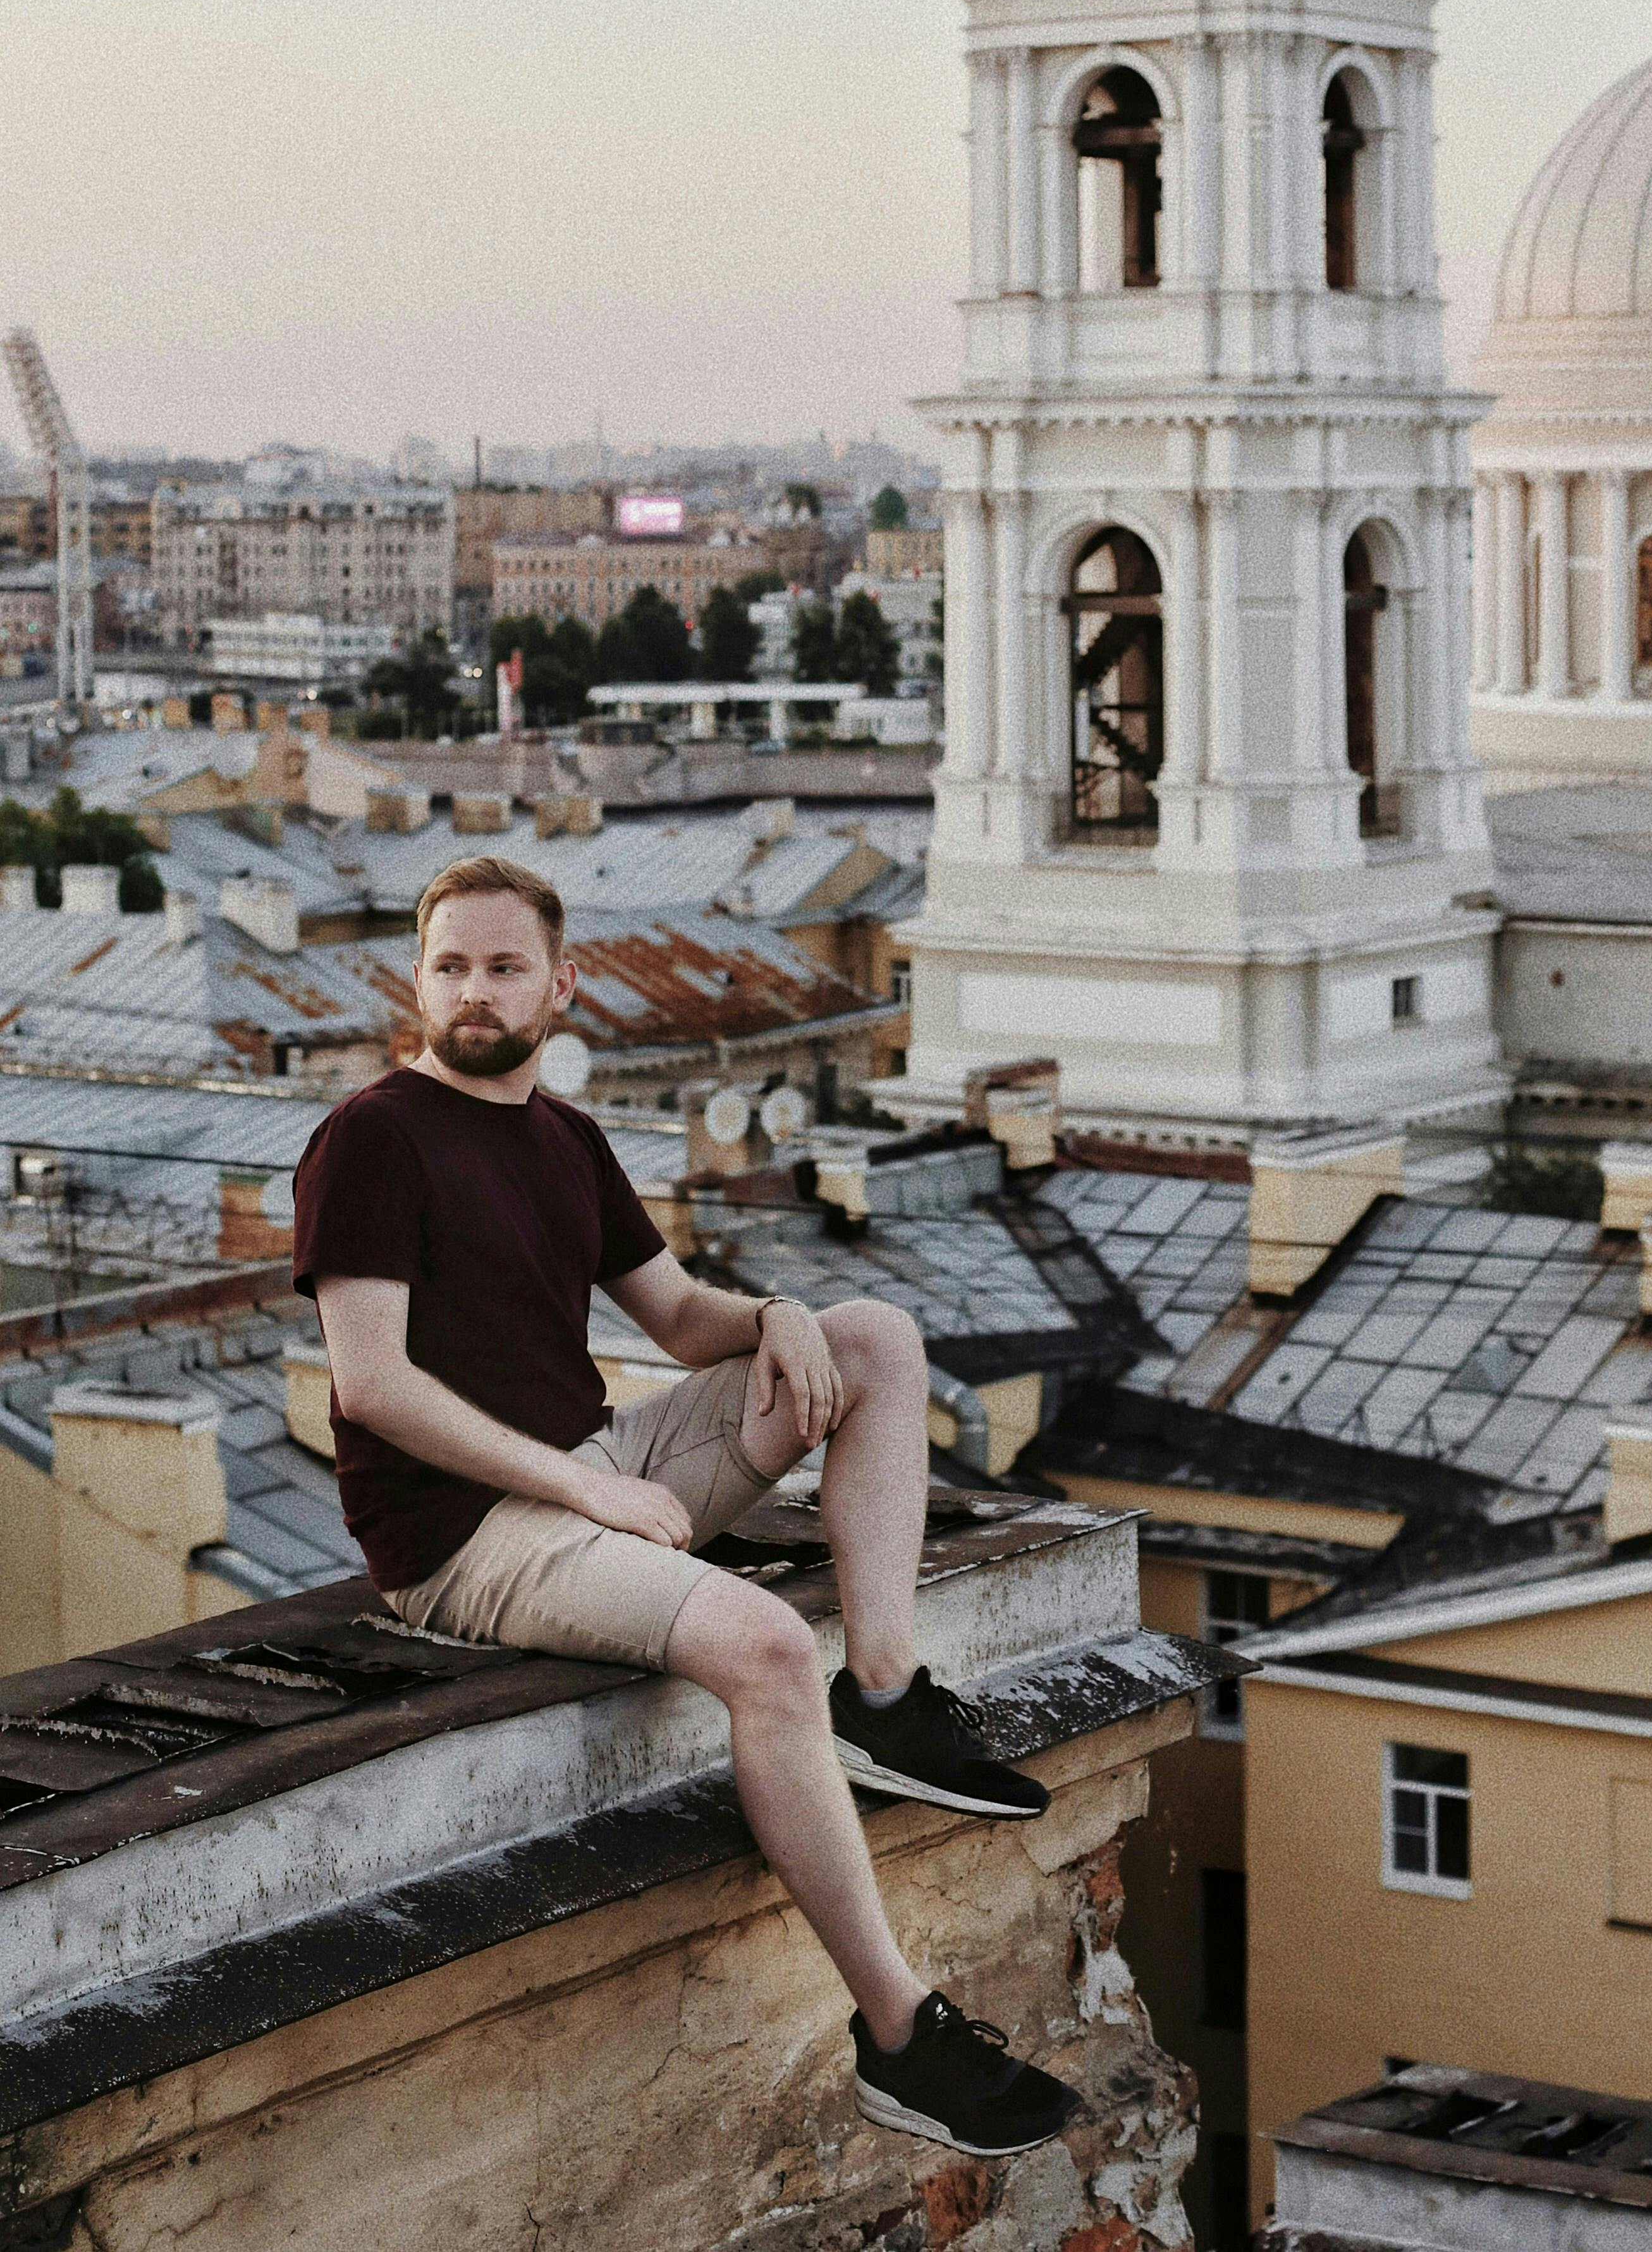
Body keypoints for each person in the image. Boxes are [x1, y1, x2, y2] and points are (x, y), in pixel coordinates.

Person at [295, 853, 1077, 2158]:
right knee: (767, 1649)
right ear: (415, 983)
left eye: (501, 967)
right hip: (462, 1539)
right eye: (449, 967)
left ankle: (883, 1697)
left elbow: (675, 1315)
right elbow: (372, 1386)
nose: (474, 993)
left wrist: (777, 1313)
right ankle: (900, 2039)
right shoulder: (372, 1137)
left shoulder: (565, 1137)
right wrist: (584, 1486)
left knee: (869, 1334)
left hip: (595, 1472)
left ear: (561, 985)